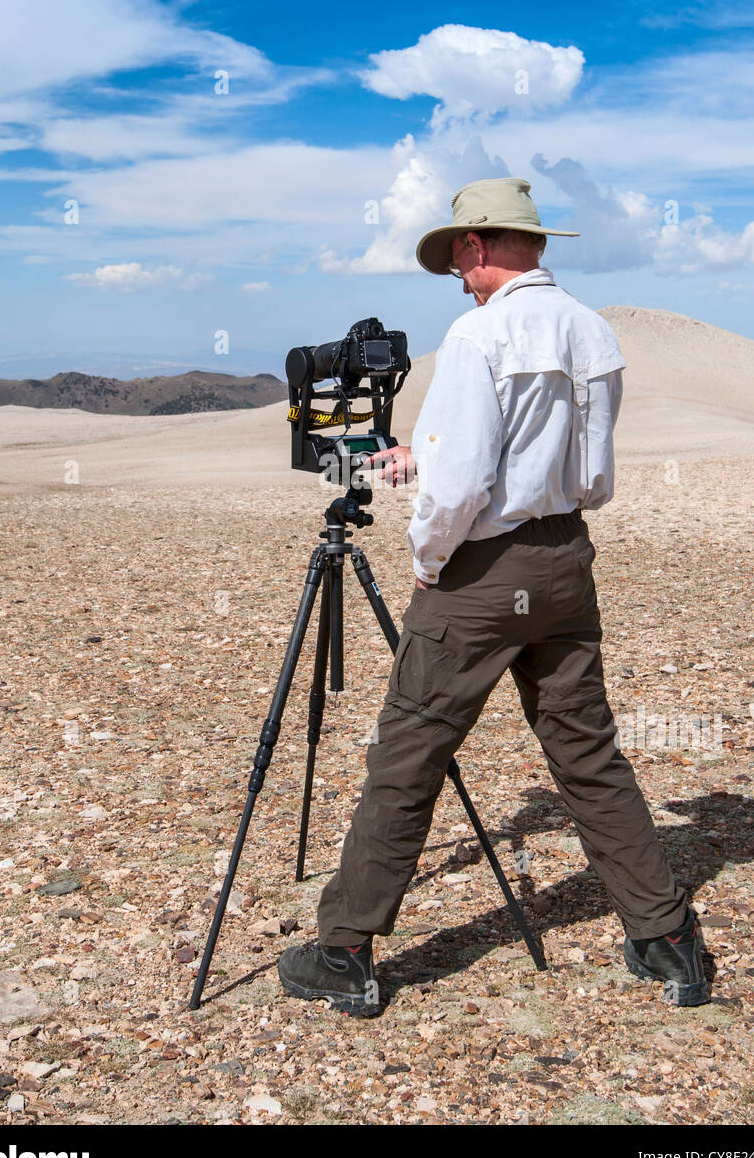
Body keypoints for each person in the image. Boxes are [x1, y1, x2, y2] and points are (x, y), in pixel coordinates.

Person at [278, 176, 710, 1014]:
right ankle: (665, 942)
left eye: (457, 263)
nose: (458, 278)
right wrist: (432, 465)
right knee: (585, 750)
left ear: (475, 247)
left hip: (481, 576)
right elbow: (566, 463)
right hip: (564, 562)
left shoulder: (478, 334)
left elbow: (464, 484)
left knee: (408, 754)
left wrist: (429, 560)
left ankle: (344, 952)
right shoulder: (590, 330)